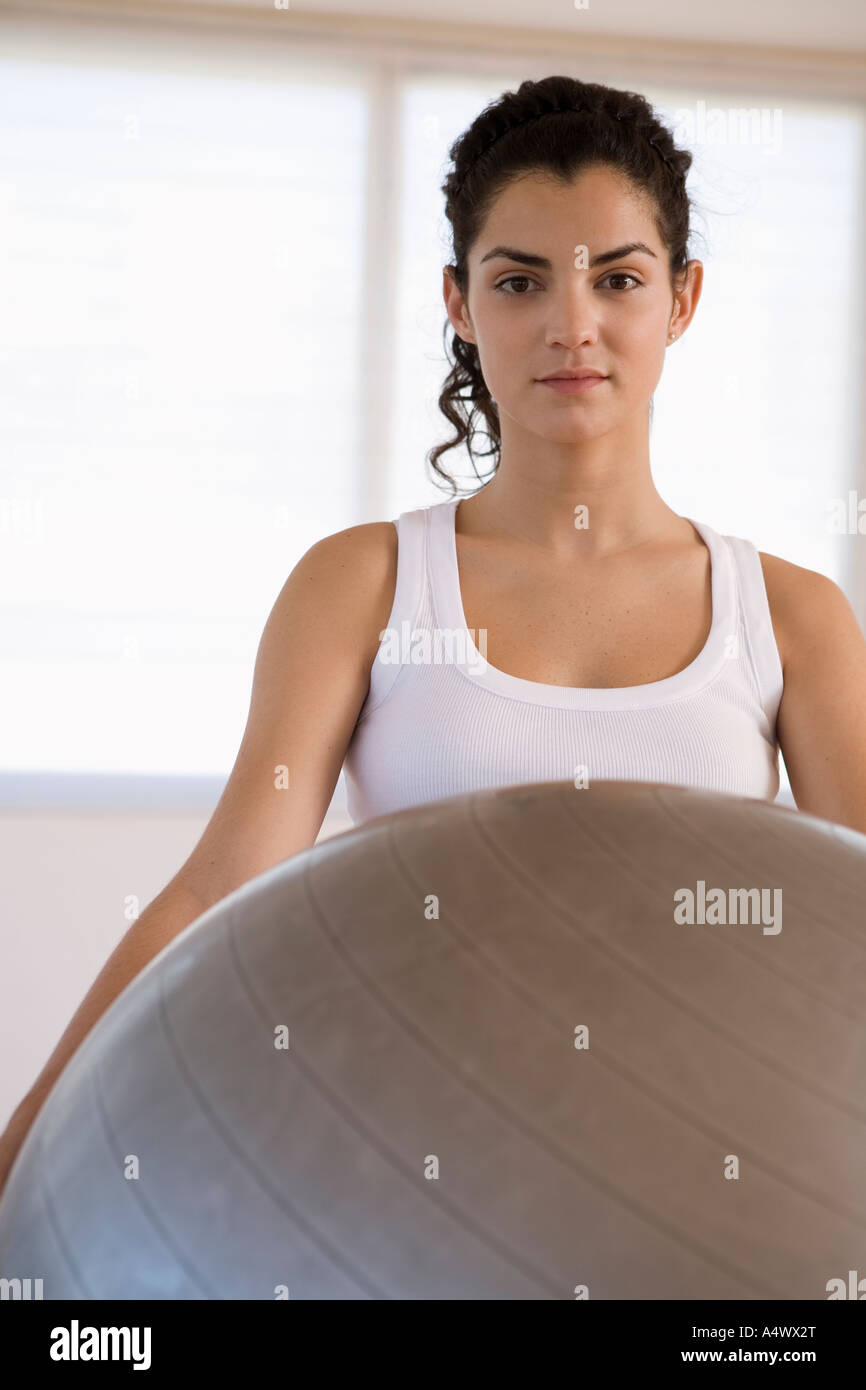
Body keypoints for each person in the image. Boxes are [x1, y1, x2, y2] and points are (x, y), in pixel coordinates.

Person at [2, 74, 865, 1201]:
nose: (571, 325)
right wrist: (19, 1146)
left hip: (700, 1178)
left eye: (617, 278)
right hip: (411, 1167)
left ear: (681, 298)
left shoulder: (789, 612)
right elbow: (217, 888)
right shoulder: (361, 583)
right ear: (459, 303)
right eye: (519, 280)